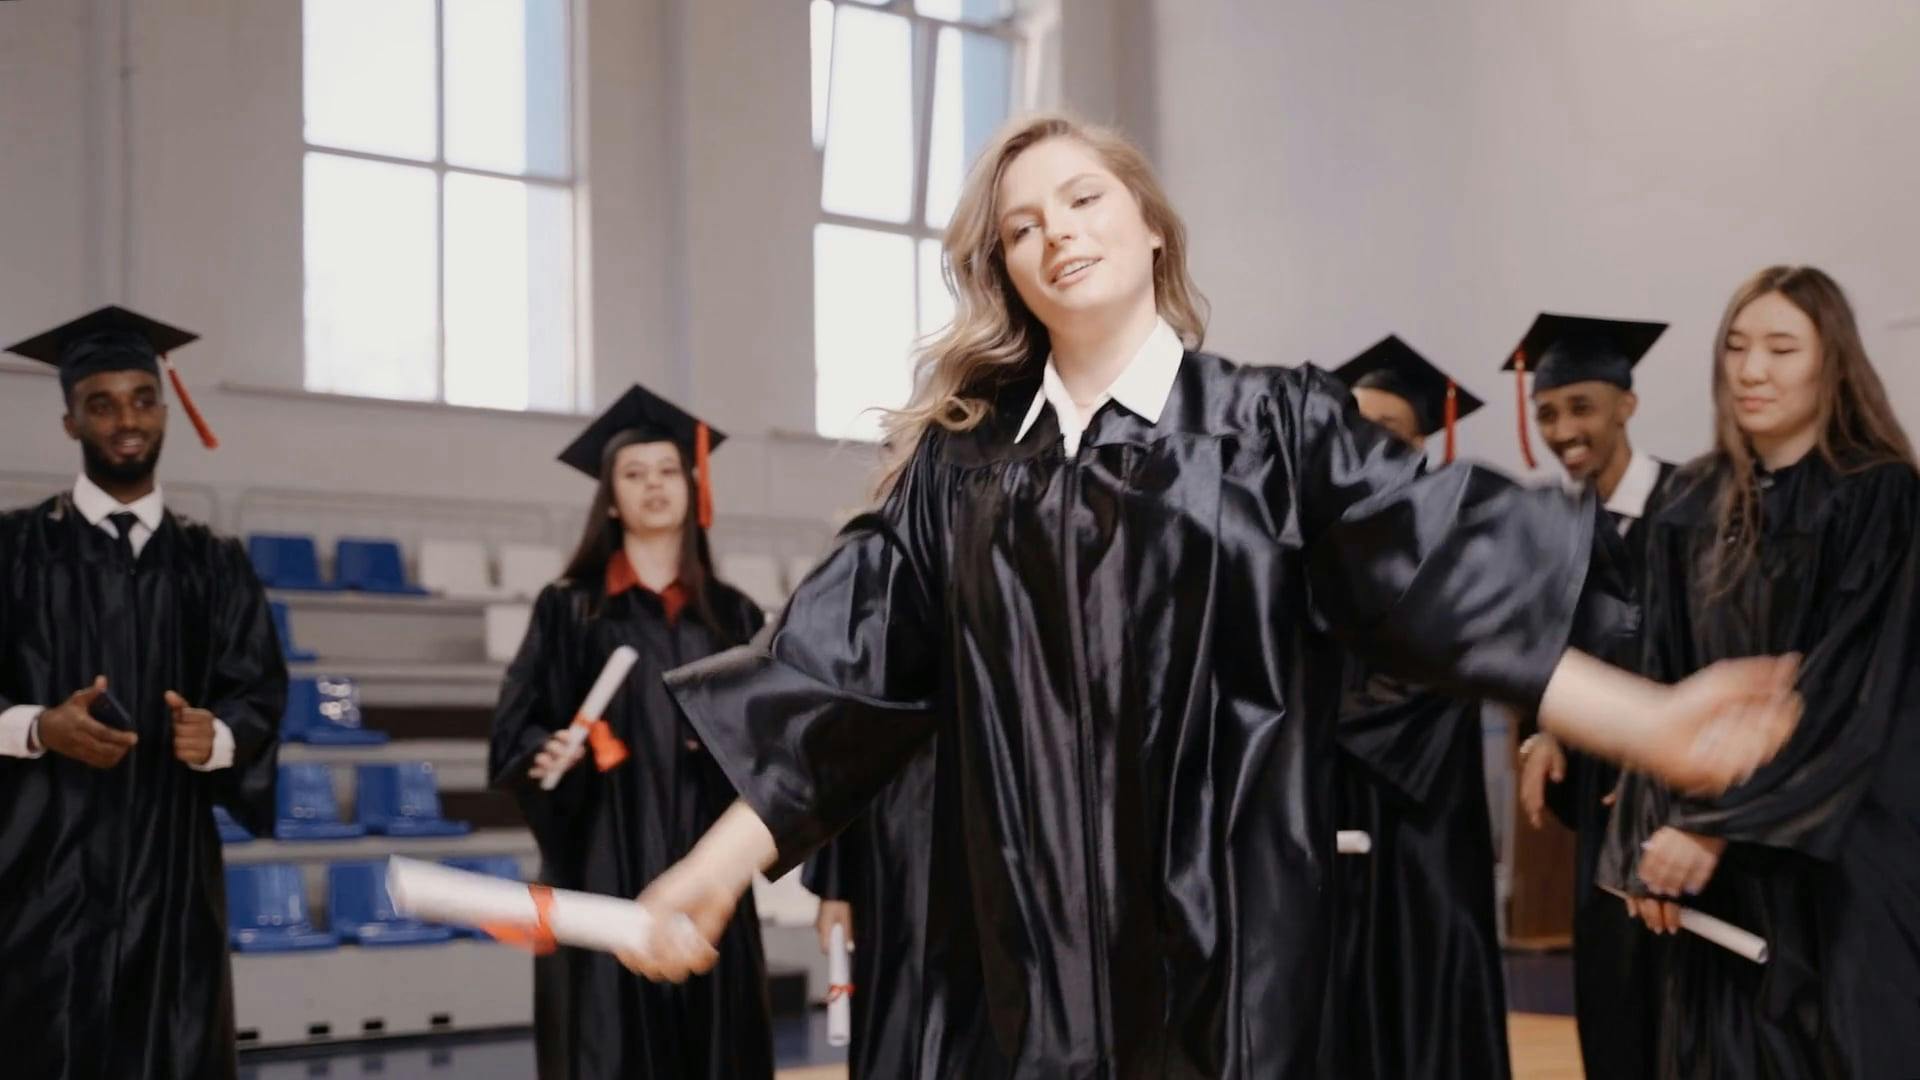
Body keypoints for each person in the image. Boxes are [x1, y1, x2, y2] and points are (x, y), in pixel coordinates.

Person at [624, 115, 1799, 1077]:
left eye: (1083, 198)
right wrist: (713, 872)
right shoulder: (967, 471)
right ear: (1007, 272)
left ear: (1147, 227)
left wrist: (1643, 721)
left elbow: (1443, 577)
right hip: (1021, 974)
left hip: (1228, 964)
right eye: (1021, 225)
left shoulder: (1272, 429)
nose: (1056, 233)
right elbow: (846, 670)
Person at [1598, 266, 1919, 1079]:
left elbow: (1853, 685)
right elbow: (1657, 683)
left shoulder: (1877, 496)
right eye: (1737, 347)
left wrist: (1719, 824)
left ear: (1830, 362)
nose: (1752, 370)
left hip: (1840, 854)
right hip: (1709, 859)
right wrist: (1645, 841)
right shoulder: (1690, 504)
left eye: (1782, 347)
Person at [0, 306, 285, 1080]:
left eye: (141, 397)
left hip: (173, 883)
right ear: (70, 421)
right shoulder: (13, 552)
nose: (126, 419)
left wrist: (217, 736)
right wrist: (33, 727)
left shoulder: (214, 564)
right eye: (102, 403)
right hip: (40, 878)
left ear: (165, 409)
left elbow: (257, 688)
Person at [488, 385, 774, 1080]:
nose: (654, 486)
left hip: (709, 875)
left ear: (692, 489)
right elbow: (513, 734)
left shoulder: (735, 618)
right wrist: (546, 752)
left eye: (668, 470)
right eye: (634, 473)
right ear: (610, 500)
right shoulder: (571, 611)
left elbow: (775, 758)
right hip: (601, 871)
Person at [1322, 336, 1510, 1080]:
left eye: (1391, 427)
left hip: (1426, 804)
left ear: (1425, 441)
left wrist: (1314, 714)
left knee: (1426, 968)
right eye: (1357, 421)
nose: (1369, 438)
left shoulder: (1455, 531)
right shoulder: (1320, 534)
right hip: (1335, 802)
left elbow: (1445, 667)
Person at [1506, 312, 1678, 1078]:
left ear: (1626, 406)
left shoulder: (1693, 509)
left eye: (1580, 406)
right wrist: (1539, 733)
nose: (1562, 428)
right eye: (1547, 413)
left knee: (1686, 1003)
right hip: (1600, 803)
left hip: (1684, 800)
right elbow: (1533, 654)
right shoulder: (1550, 528)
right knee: (1609, 1001)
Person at [804, 745, 936, 1080]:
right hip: (896, 815)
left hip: (992, 808)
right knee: (898, 997)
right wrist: (835, 881)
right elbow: (847, 728)